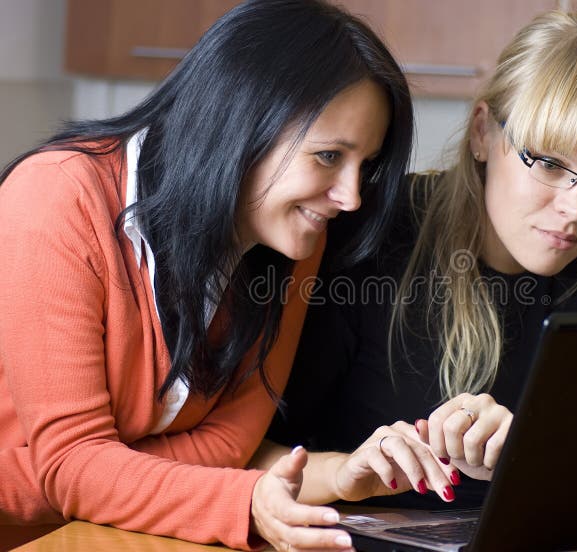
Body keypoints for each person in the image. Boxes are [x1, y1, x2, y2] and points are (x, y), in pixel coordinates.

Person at [0, 0, 432, 550]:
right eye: (328, 156)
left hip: (136, 533)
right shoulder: (57, 198)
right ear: (239, 123)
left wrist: (103, 474)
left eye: (364, 166)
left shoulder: (294, 239)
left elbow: (233, 440)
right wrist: (232, 497)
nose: (349, 198)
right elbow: (71, 465)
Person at [261, 10, 577, 510]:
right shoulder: (369, 228)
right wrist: (345, 472)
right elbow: (250, 454)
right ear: (483, 132)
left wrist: (530, 454)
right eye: (548, 163)